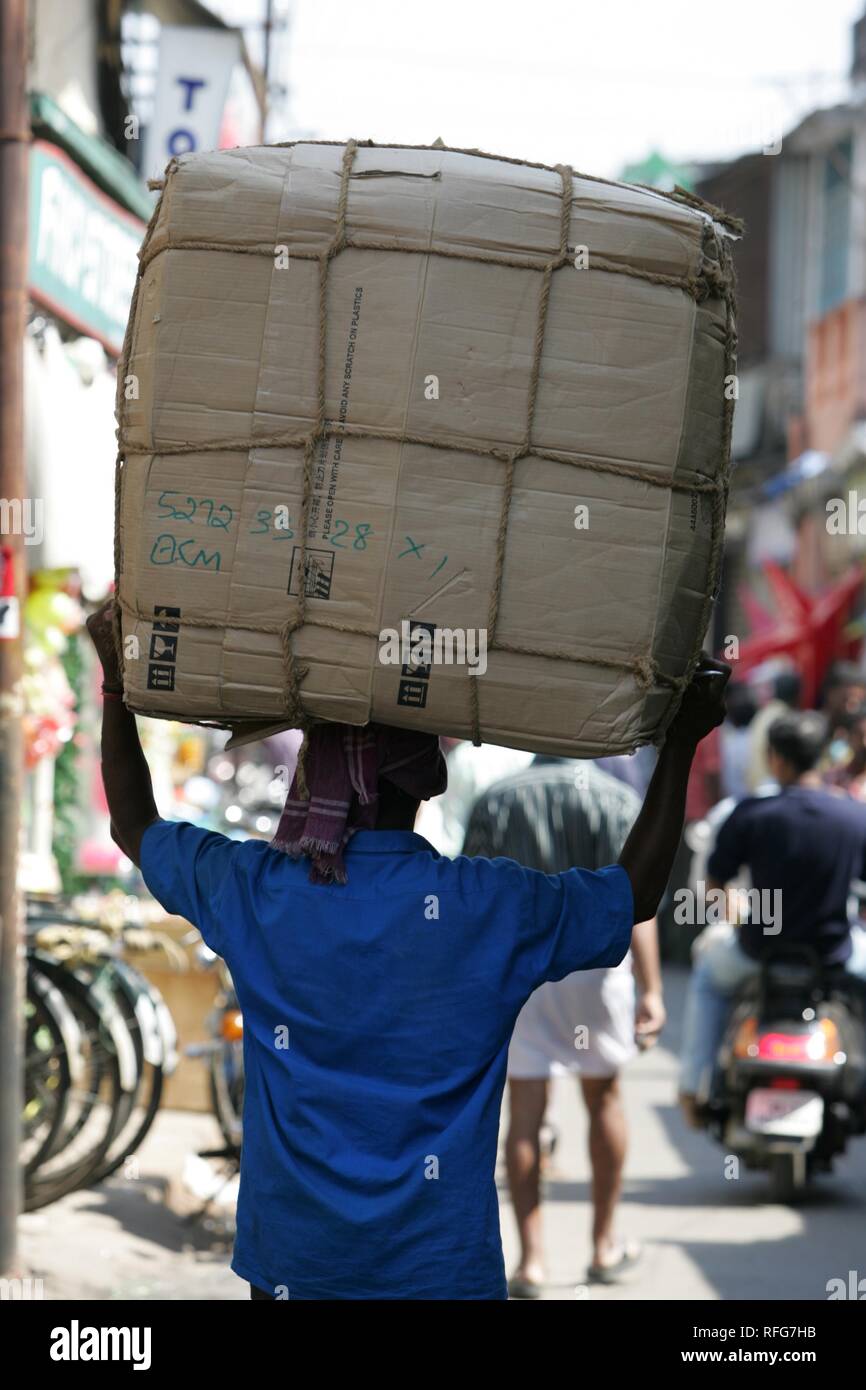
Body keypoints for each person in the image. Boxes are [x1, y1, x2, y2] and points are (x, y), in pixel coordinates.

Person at [87, 600, 728, 1301]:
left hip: (296, 1266)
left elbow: (133, 823)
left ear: (313, 775)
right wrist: (681, 744)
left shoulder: (255, 891)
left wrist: (117, 684)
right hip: (440, 1271)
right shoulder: (487, 906)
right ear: (429, 779)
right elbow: (631, 894)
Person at [462, 759, 664, 1295]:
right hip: (597, 967)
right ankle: (603, 1247)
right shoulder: (616, 798)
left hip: (523, 968)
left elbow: (471, 897)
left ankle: (531, 1263)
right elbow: (635, 907)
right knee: (604, 1100)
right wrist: (653, 990)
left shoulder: (497, 798)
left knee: (525, 1113)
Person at [679, 710, 866, 1126]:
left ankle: (693, 1088)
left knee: (708, 979)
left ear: (775, 758)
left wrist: (738, 913)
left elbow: (714, 884)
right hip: (835, 954)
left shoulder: (750, 814)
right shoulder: (855, 818)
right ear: (820, 757)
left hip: (756, 951)